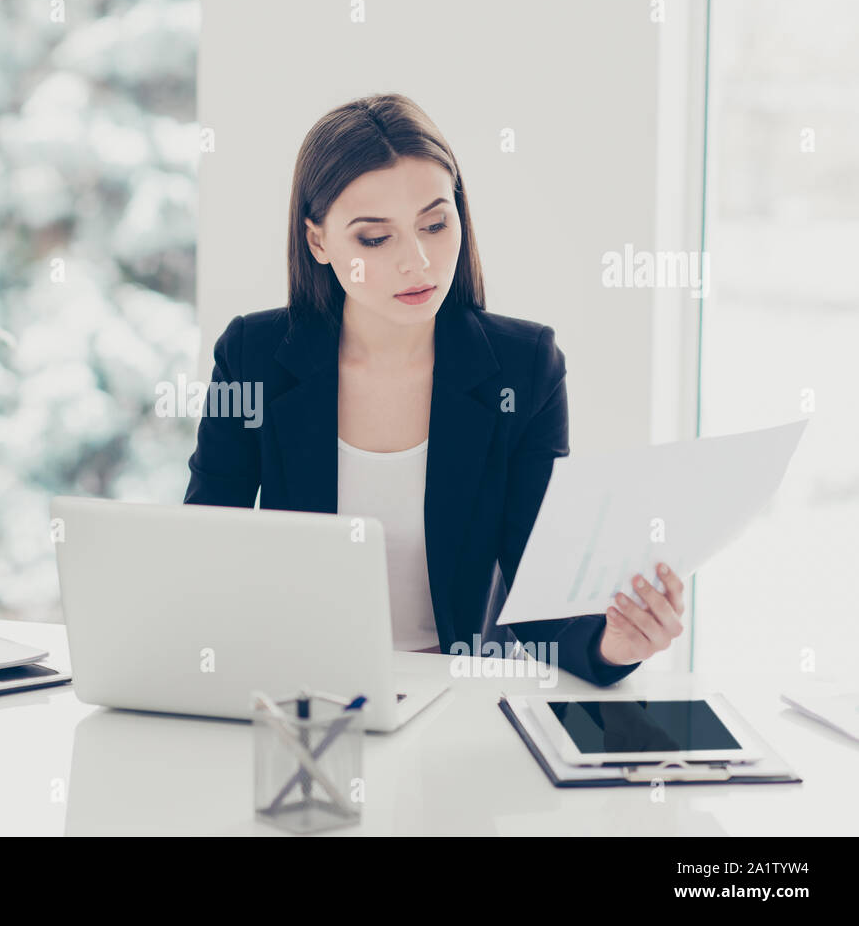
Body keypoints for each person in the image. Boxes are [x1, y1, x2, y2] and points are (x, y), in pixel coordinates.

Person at [183, 93, 684, 686]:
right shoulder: (253, 357)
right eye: (376, 239)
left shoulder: (525, 368)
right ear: (318, 241)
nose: (417, 261)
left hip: (456, 700)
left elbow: (540, 597)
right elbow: (205, 558)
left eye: (435, 224)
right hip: (299, 698)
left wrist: (612, 644)